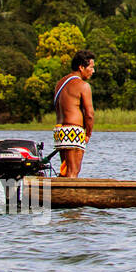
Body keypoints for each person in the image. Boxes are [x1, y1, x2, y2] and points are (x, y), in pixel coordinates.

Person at [53, 50, 95, 178]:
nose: (93, 71)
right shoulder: (83, 86)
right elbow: (89, 114)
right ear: (81, 67)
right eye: (91, 67)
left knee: (65, 171)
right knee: (73, 172)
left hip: (60, 131)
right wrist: (88, 133)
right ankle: (69, 197)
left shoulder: (60, 83)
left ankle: (58, 196)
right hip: (74, 130)